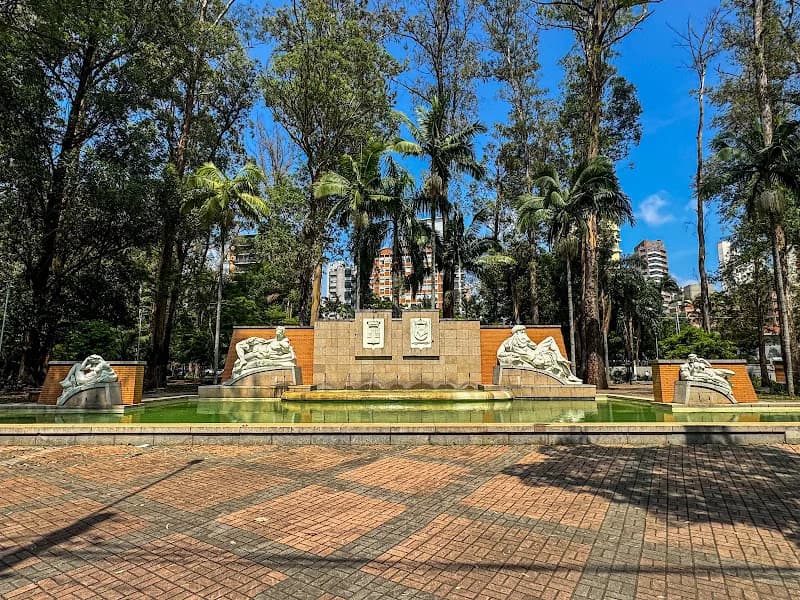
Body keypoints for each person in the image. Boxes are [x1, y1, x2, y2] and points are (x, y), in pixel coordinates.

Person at [497, 325, 582, 384]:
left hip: (534, 358)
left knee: (553, 354)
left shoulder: (508, 342)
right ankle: (567, 371)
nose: (524, 332)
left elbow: (499, 354)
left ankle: (569, 374)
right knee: (551, 340)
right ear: (518, 332)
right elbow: (534, 346)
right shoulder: (523, 339)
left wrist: (511, 353)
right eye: (522, 331)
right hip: (535, 357)